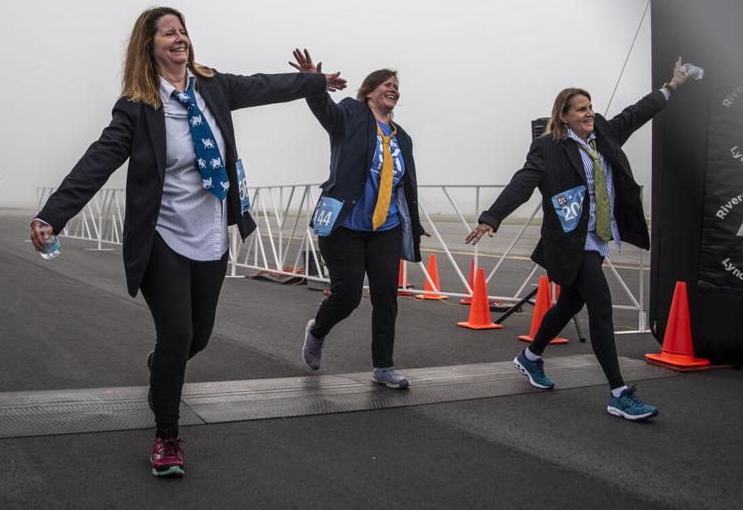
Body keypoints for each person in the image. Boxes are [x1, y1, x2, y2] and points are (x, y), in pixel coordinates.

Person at [31, 8, 345, 478]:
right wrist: (53, 214)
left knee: (196, 336)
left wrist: (311, 84)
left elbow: (262, 86)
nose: (180, 38)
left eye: (182, 31)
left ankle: (162, 366)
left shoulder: (212, 86)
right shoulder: (137, 107)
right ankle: (167, 436)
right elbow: (99, 159)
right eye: (168, 33)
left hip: (212, 232)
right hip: (162, 234)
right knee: (177, 332)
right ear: (149, 45)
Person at [465, 58, 696, 421]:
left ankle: (530, 357)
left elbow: (637, 113)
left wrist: (672, 85)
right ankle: (619, 393)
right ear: (563, 117)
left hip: (598, 236)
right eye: (581, 109)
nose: (589, 113)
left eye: (590, 107)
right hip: (570, 241)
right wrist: (491, 217)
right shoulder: (549, 149)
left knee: (570, 302)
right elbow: (523, 182)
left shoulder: (602, 133)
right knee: (600, 306)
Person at [292, 50, 424, 390]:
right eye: (386, 84)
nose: (393, 89)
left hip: (386, 228)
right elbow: (324, 110)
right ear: (368, 91)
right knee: (348, 296)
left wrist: (413, 223)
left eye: (397, 86)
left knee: (386, 298)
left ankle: (383, 367)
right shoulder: (351, 115)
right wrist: (312, 83)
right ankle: (317, 331)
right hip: (345, 225)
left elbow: (404, 185)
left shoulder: (402, 137)